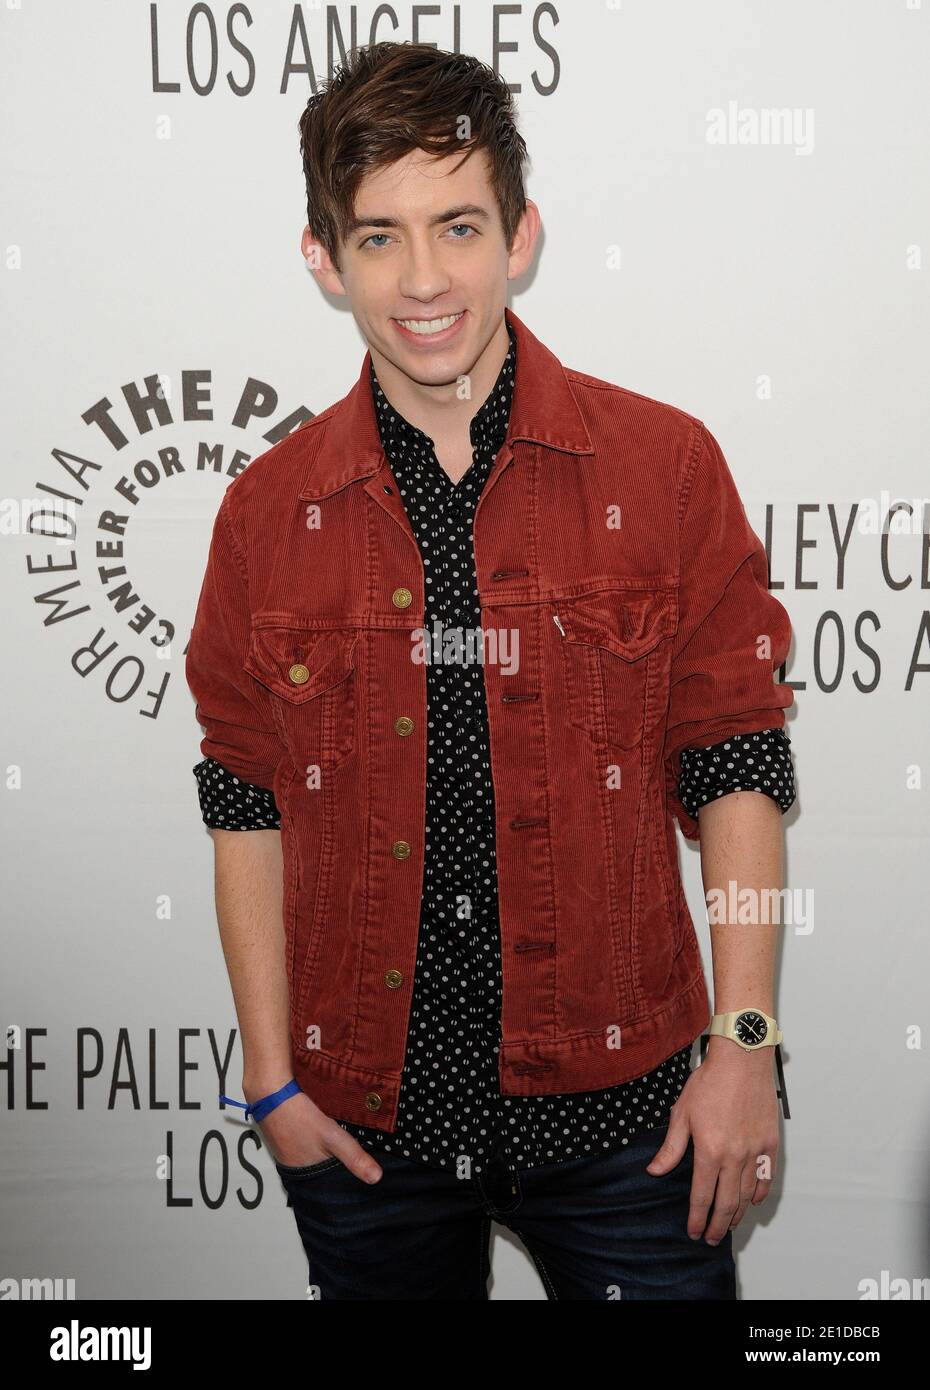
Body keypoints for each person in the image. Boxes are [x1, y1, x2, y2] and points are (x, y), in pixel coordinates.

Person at [185, 41, 796, 1300]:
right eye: (376, 237)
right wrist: (272, 1077)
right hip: (366, 1134)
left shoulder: (664, 467)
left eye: (458, 226)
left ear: (520, 234)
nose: (423, 279)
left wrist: (744, 1041)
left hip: (633, 1118)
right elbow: (246, 801)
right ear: (321, 257)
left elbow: (737, 761)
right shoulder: (264, 515)